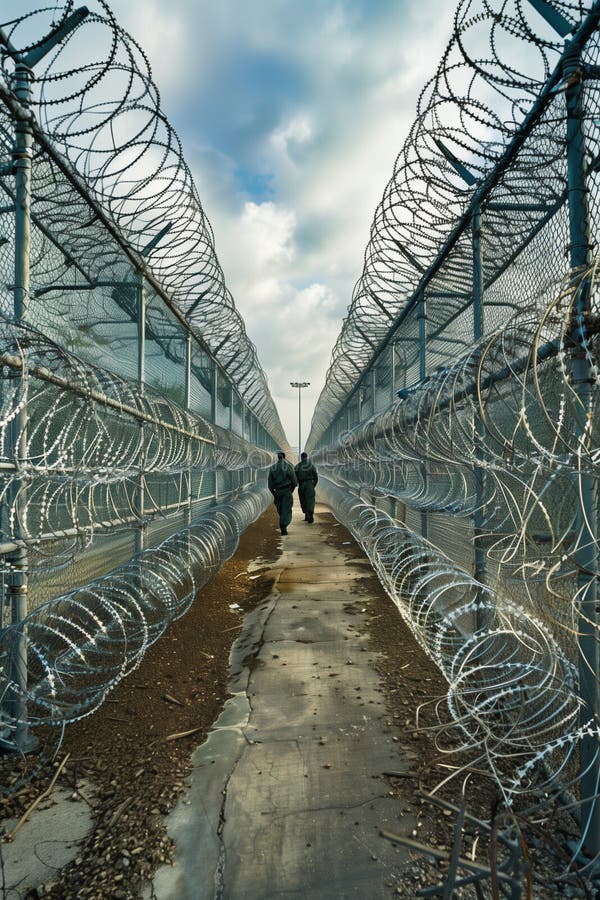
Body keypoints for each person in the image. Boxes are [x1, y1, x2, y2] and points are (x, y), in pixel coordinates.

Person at [268, 451, 298, 535]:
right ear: (284, 457)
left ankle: (283, 523)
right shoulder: (288, 466)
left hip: (277, 492)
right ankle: (283, 525)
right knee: (287, 509)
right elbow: (295, 482)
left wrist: (274, 494)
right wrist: (290, 491)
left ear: (278, 457)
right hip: (286, 491)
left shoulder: (273, 467)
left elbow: (270, 485)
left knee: (281, 509)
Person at [294, 452, 318, 524]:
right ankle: (310, 513)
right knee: (310, 500)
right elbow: (316, 476)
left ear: (301, 457)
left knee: (303, 499)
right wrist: (313, 485)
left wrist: (297, 483)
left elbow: (294, 476)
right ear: (306, 457)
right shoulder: (311, 465)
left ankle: (306, 515)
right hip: (310, 484)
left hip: (301, 485)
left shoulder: (298, 466)